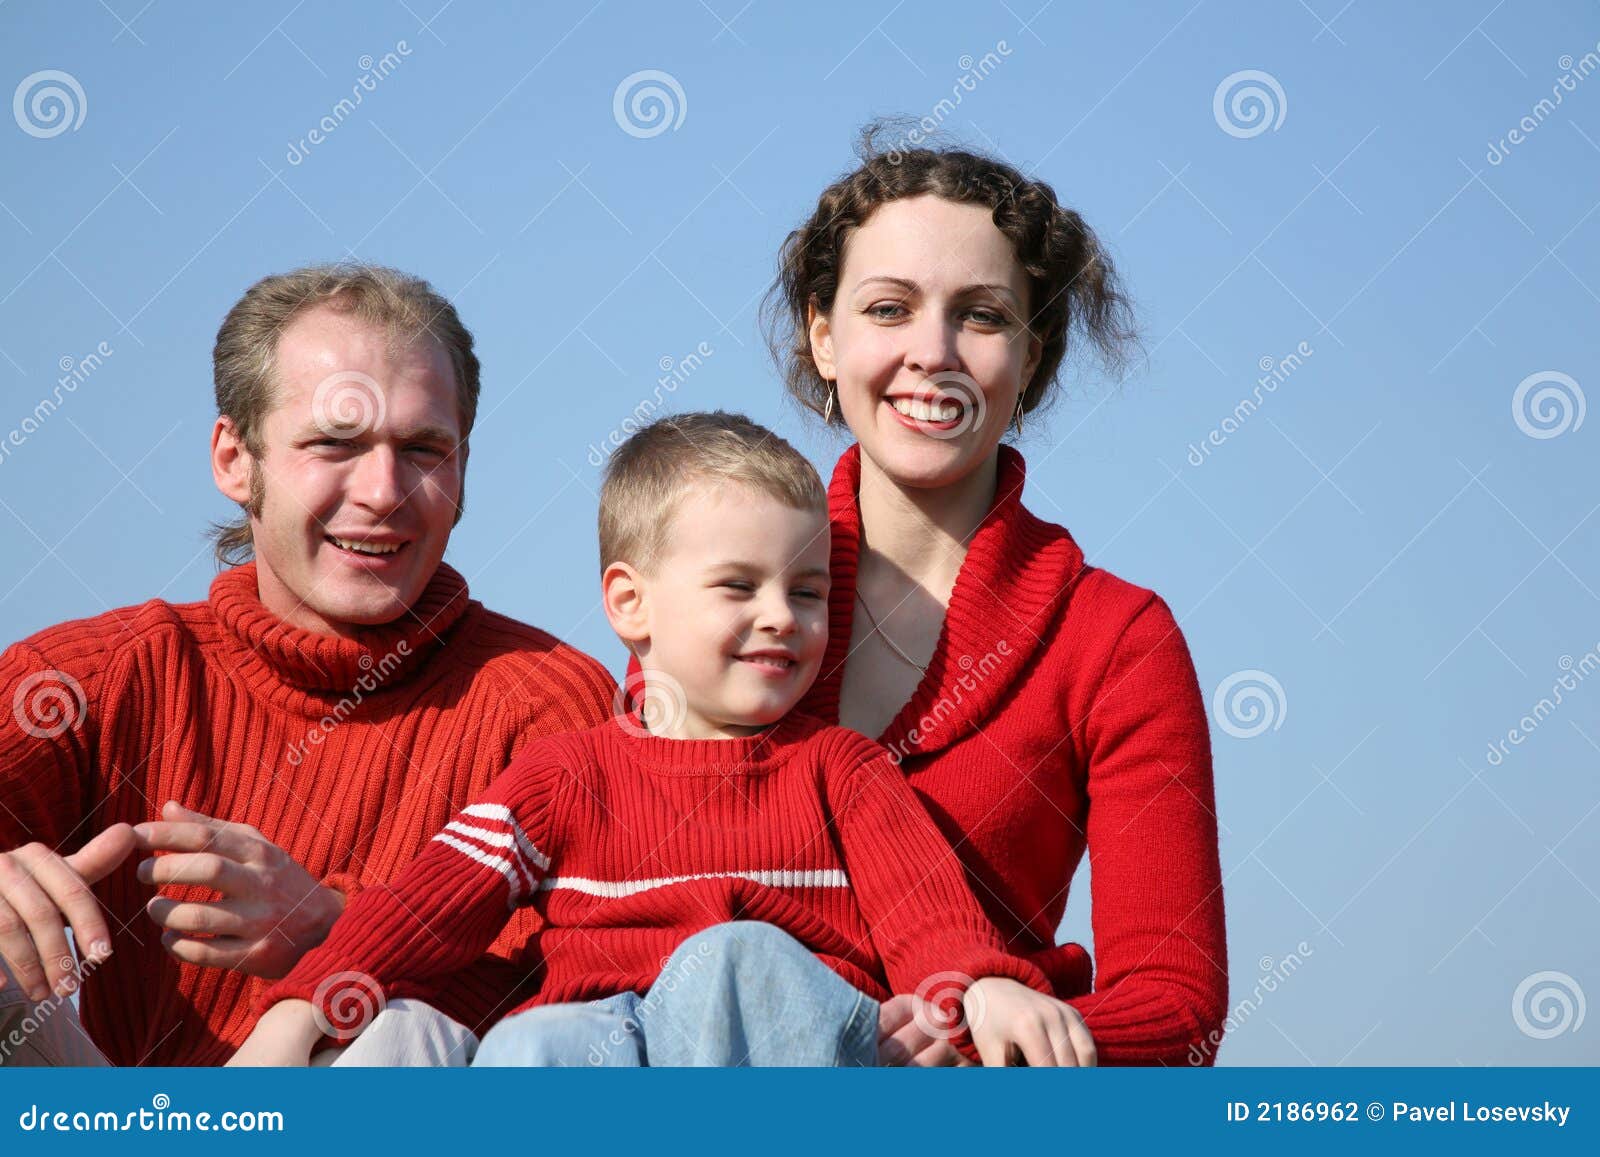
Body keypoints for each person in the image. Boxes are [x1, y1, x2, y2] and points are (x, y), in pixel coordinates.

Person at [230, 411, 1094, 1067]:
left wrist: (980, 988)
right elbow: (427, 908)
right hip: (602, 1044)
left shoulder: (841, 769)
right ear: (629, 603)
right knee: (462, 1043)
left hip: (769, 1044)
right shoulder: (566, 774)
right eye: (738, 585)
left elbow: (927, 914)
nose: (779, 617)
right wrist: (302, 1008)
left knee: (737, 957)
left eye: (806, 592)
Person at [0, 264, 615, 1067]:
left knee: (408, 1033)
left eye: (424, 448)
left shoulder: (548, 703)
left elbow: (599, 999)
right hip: (122, 1126)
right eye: (336, 443)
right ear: (234, 459)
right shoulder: (107, 677)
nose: (384, 490)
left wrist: (333, 930)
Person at [752, 129, 1229, 1065]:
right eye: (889, 308)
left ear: (1031, 353)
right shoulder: (717, 587)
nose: (933, 353)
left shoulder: (1116, 640)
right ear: (824, 336)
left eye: (981, 315)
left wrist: (998, 1043)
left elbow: (1179, 1008)